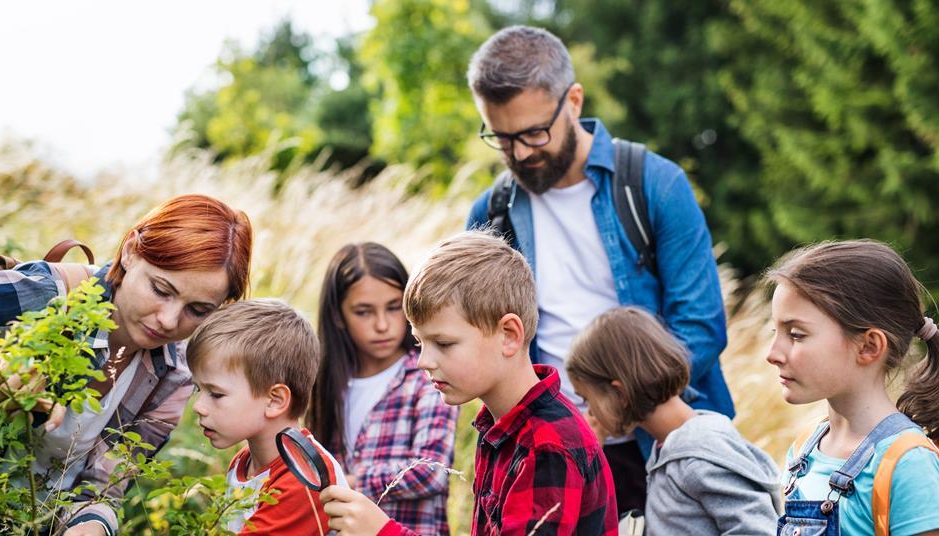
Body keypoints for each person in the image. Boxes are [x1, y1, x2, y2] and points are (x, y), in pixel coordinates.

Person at [464, 25, 732, 512]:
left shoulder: (655, 185)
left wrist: (610, 412)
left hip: (664, 447)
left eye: (533, 133)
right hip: (548, 451)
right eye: (501, 139)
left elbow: (701, 327)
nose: (520, 153)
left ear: (574, 101)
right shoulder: (490, 214)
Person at [0, 193, 253, 535]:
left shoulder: (173, 375)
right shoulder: (52, 294)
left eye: (197, 310)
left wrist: (93, 521)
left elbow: (104, 484)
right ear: (132, 251)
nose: (168, 320)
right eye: (161, 290)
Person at [320, 231, 617, 536]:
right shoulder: (501, 426)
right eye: (420, 342)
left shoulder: (546, 446)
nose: (424, 361)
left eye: (444, 343)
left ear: (509, 335)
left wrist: (383, 531)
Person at [766, 240, 939, 535]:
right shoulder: (805, 449)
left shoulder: (908, 465)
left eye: (796, 335)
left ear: (869, 346)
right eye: (775, 332)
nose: (772, 353)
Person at [567, 306, 781, 535]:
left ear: (619, 393)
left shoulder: (697, 456)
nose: (588, 412)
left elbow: (759, 530)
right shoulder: (669, 449)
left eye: (587, 399)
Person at [306, 243, 457, 535]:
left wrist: (354, 481)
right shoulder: (327, 384)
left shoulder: (427, 376)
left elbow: (433, 472)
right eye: (364, 312)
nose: (382, 325)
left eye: (393, 307)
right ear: (338, 316)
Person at [188, 298, 348, 534]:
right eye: (198, 389)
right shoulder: (244, 462)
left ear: (275, 400)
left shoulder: (304, 478)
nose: (198, 406)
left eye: (216, 394)